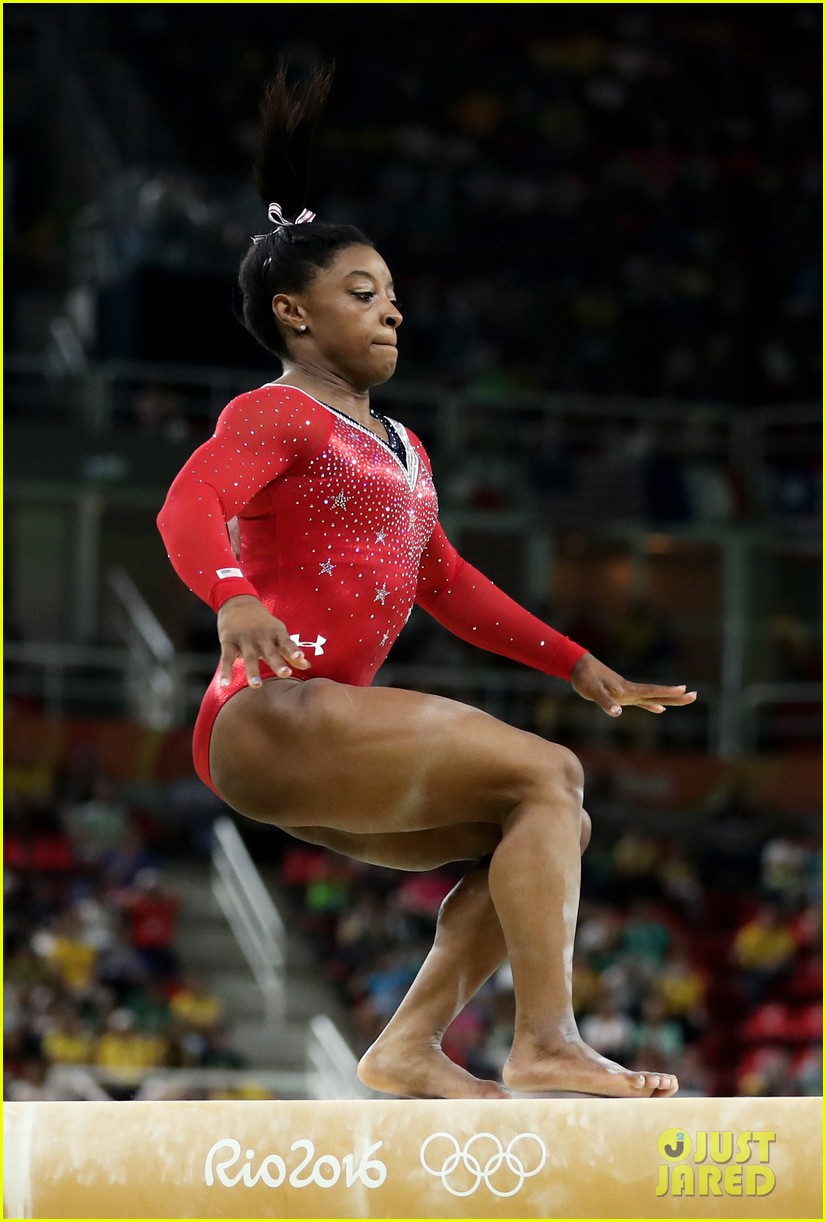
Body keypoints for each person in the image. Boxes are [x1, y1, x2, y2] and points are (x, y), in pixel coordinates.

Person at [157, 64, 697, 1101]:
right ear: (294, 314)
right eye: (362, 294)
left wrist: (576, 663)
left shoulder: (402, 445)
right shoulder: (277, 413)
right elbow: (187, 504)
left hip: (318, 732)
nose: (392, 313)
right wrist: (233, 596)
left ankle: (407, 1044)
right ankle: (546, 1040)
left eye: (394, 298)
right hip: (269, 712)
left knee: (544, 823)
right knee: (549, 771)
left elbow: (443, 579)